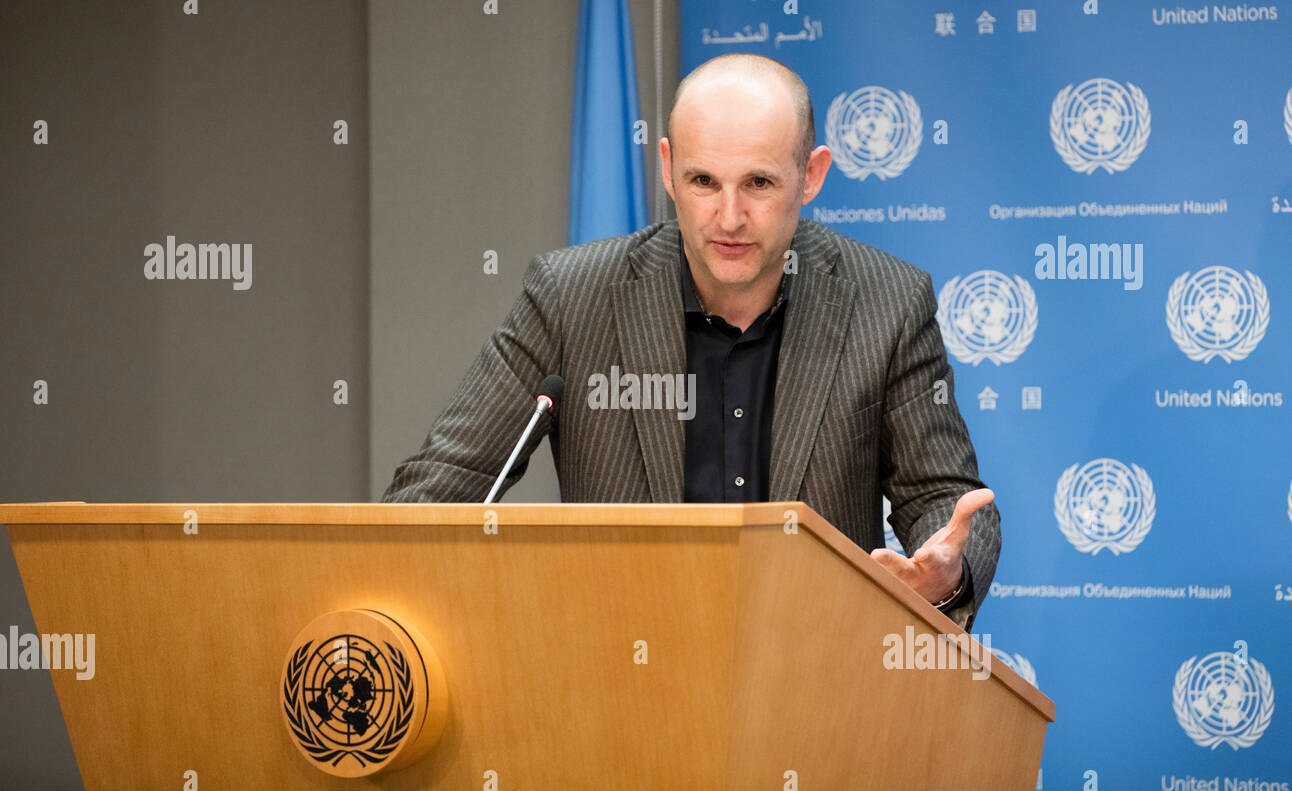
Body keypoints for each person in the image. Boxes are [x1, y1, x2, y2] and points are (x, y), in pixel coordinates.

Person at [382, 53, 1000, 632]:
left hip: (813, 683)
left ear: (811, 175)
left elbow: (944, 500)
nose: (728, 218)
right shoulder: (571, 298)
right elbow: (445, 483)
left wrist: (944, 574)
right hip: (616, 678)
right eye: (703, 180)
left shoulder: (886, 301)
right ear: (667, 169)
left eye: (758, 184)